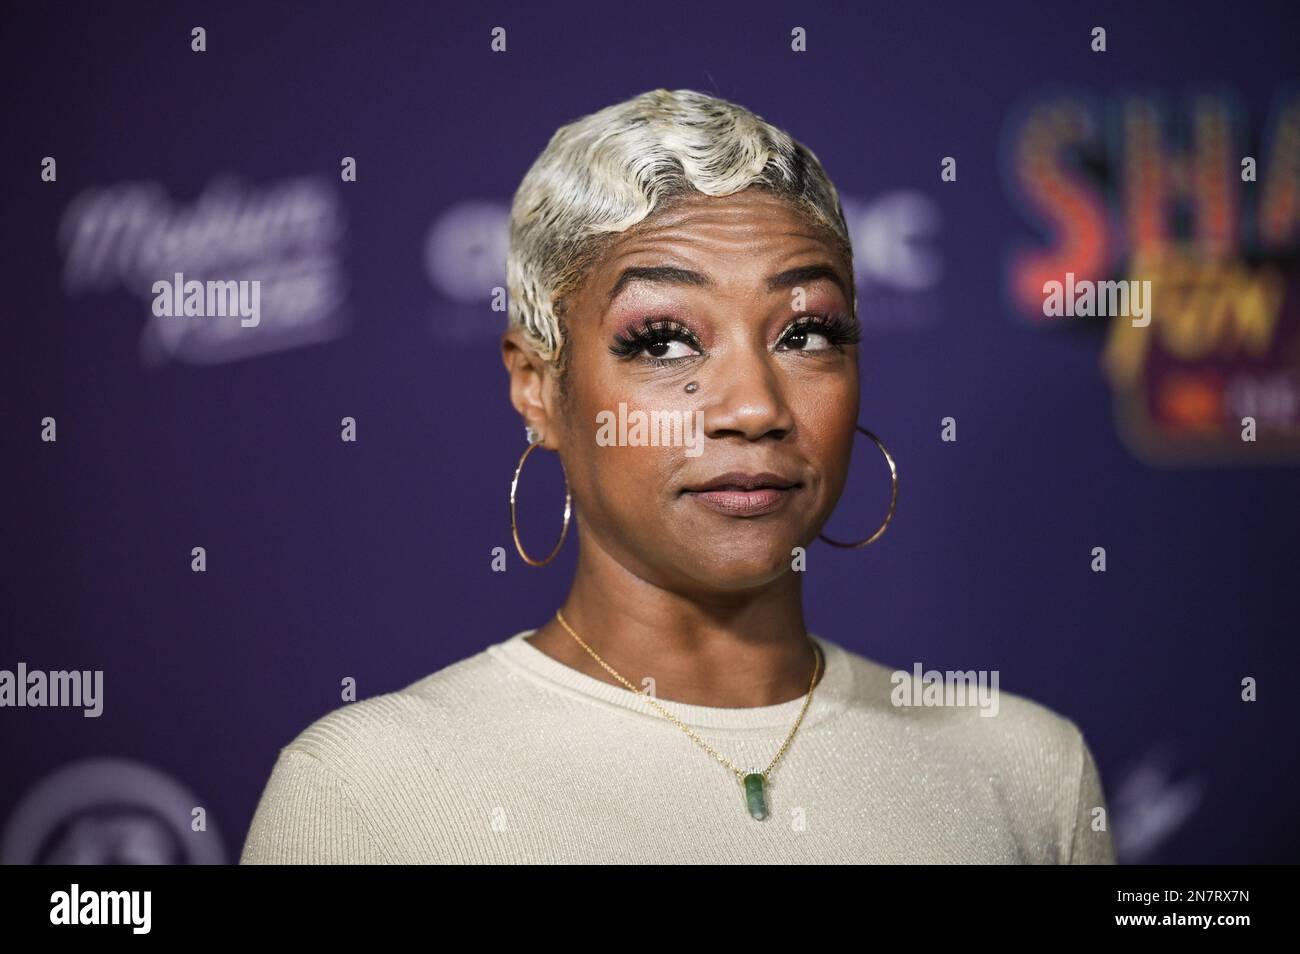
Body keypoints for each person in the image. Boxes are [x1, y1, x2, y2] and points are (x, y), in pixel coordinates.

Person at [240, 88, 1116, 864]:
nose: (752, 406)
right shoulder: (364, 795)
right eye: (663, 341)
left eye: (807, 334)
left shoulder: (1027, 768)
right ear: (538, 388)